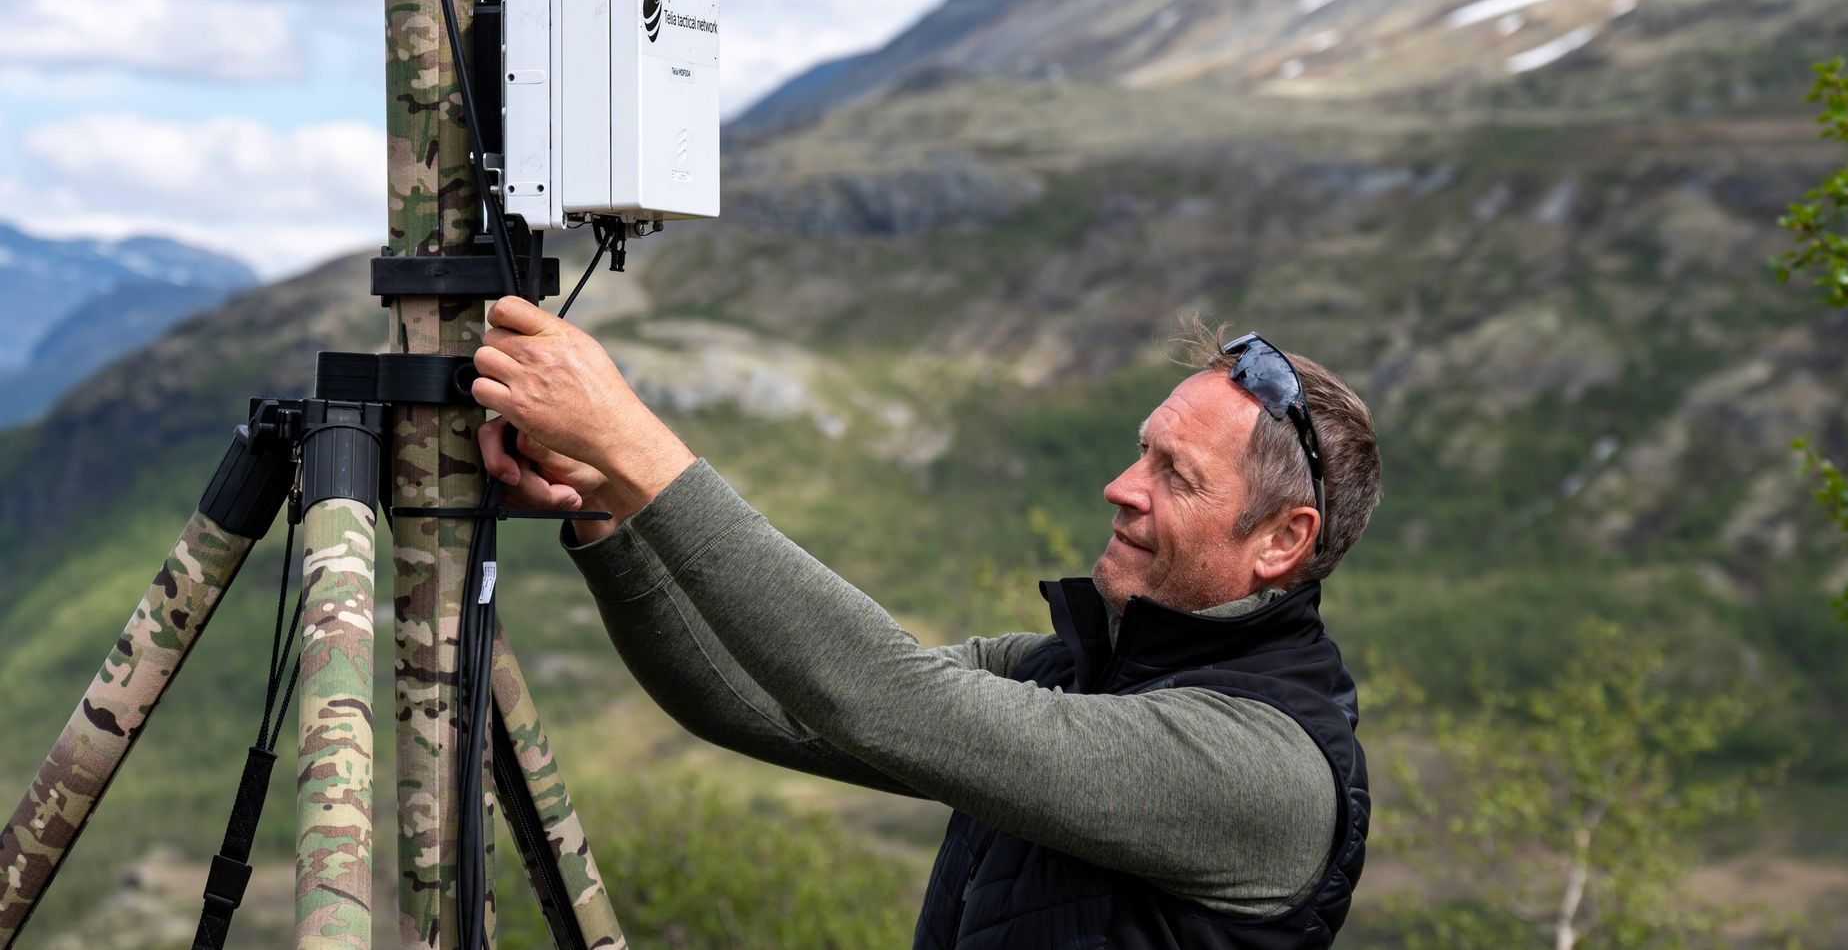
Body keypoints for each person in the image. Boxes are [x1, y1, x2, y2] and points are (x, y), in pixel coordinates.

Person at [473, 297, 1381, 948]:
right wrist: (604, 502)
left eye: (1174, 474)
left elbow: (877, 694)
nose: (1122, 487)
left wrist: (633, 443)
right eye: (1140, 450)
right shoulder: (1070, 670)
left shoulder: (1263, 767)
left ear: (1281, 540)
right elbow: (755, 702)